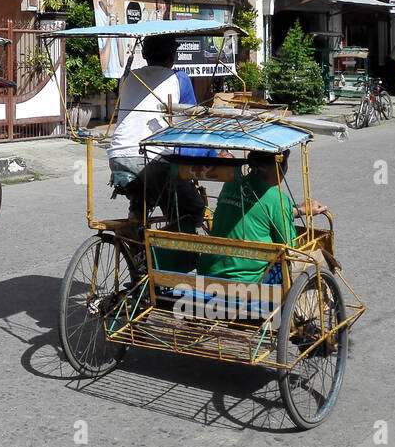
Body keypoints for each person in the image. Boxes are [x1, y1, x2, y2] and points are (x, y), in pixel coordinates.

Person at [107, 37, 206, 231]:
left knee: (146, 197)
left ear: (145, 56)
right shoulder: (179, 78)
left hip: (117, 156)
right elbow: (190, 126)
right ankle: (163, 252)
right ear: (172, 57)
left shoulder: (128, 78)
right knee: (193, 209)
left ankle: (138, 247)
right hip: (151, 161)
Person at [198, 151, 327, 283]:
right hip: (246, 280)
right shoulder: (278, 199)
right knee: (305, 264)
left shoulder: (231, 185)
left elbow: (255, 212)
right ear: (281, 165)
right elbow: (289, 248)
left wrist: (300, 210)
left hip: (208, 270)